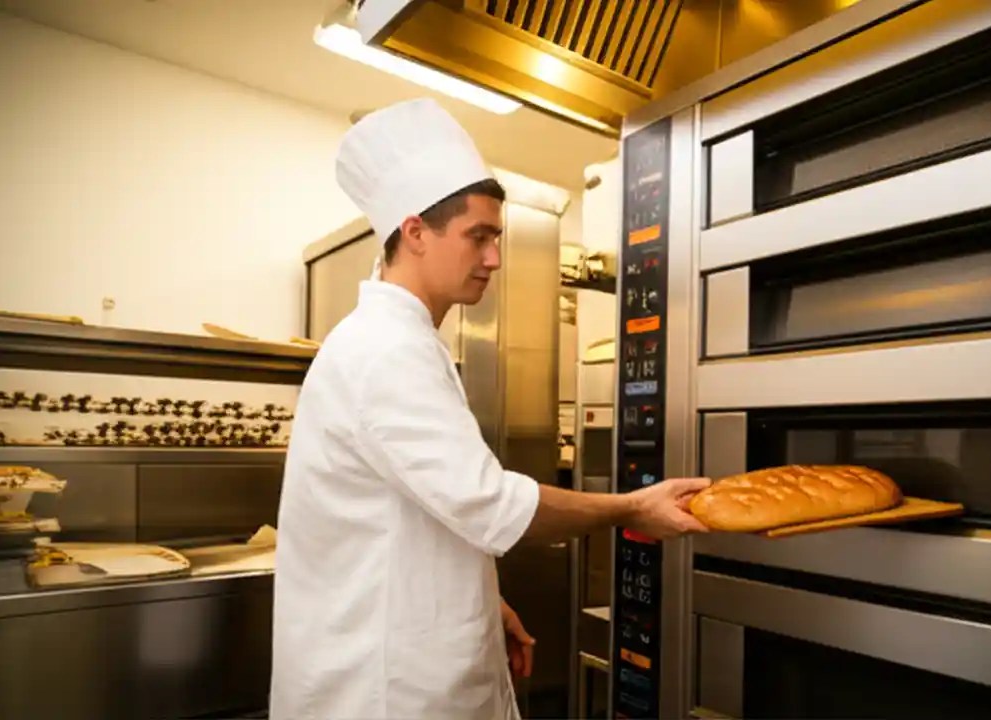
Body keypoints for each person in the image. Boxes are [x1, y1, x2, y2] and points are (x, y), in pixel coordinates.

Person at [268, 98, 710, 720]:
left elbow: (425, 511)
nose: (495, 259)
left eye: (497, 238)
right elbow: (489, 503)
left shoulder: (406, 342)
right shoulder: (384, 351)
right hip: (384, 691)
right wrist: (633, 507)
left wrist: (480, 603)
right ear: (416, 231)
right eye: (478, 237)